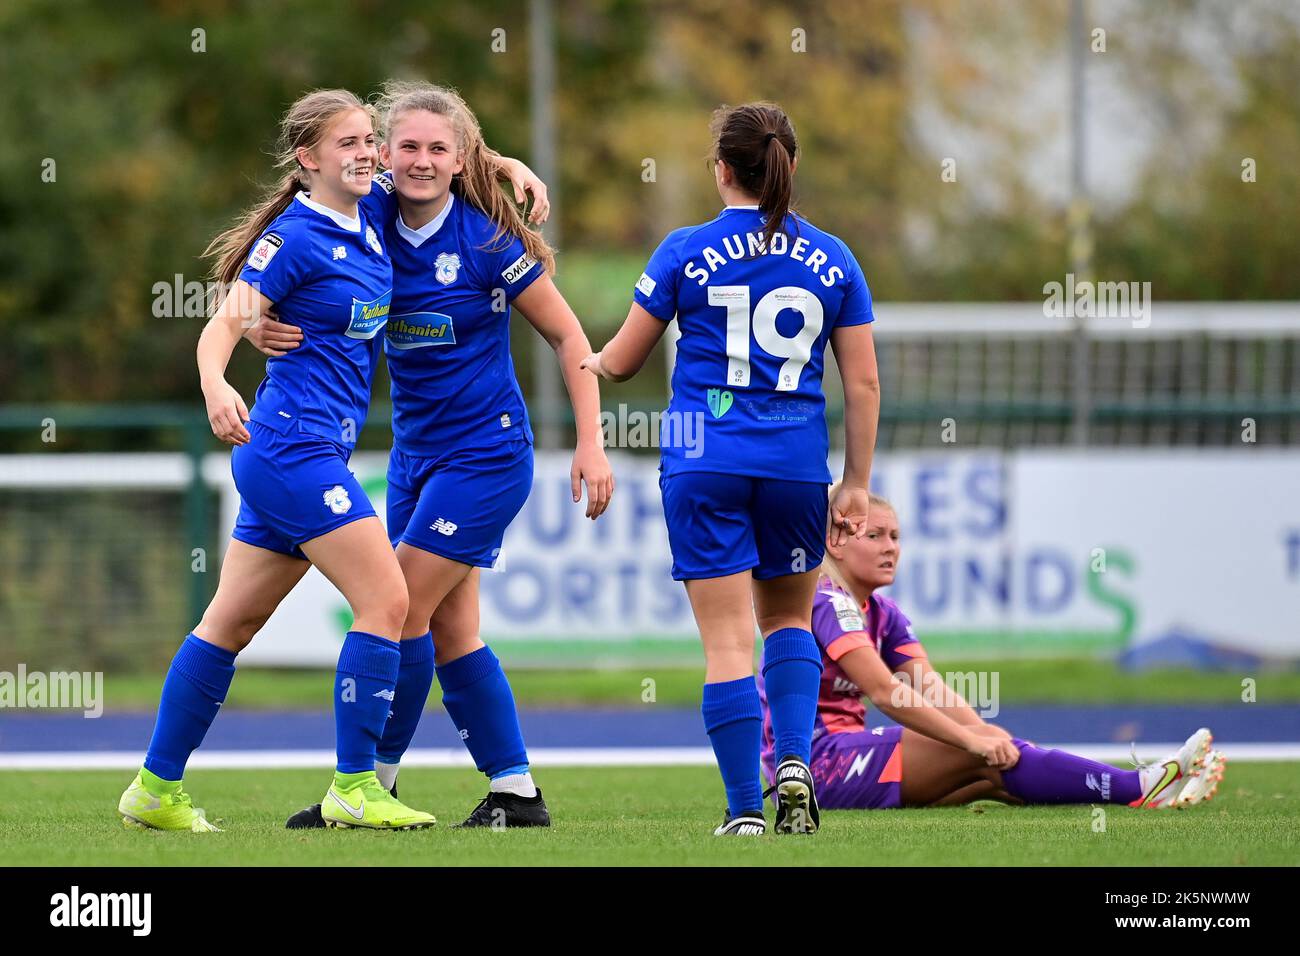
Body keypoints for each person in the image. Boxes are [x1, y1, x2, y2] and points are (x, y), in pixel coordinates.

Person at [119, 88, 549, 833]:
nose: (367, 153)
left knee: (228, 626)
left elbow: (438, 160)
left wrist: (503, 162)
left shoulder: (369, 214)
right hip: (294, 451)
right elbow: (227, 318)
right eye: (346, 143)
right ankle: (355, 785)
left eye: (367, 141)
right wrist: (215, 379)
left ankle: (154, 789)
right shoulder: (295, 238)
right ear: (306, 159)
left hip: (296, 454)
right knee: (389, 603)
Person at [251, 81, 612, 829]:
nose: (419, 161)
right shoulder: (368, 210)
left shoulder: (486, 241)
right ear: (385, 154)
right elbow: (297, 215)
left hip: (486, 458)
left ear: (458, 161)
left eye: (437, 150)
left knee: (401, 607)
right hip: (416, 459)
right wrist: (250, 323)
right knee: (449, 629)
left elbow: (573, 341)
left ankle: (365, 786)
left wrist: (591, 442)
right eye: (405, 147)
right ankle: (514, 791)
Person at [582, 102, 880, 836]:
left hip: (703, 459)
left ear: (721, 170)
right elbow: (864, 385)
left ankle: (745, 810)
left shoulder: (684, 249)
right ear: (790, 165)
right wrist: (857, 483)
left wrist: (583, 359)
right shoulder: (835, 257)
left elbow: (621, 362)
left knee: (725, 644)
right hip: (796, 465)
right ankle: (798, 769)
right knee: (786, 622)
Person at [756, 491, 1228, 812]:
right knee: (980, 753)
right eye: (874, 535)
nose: (890, 548)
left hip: (844, 758)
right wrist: (969, 740)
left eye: (896, 537)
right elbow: (884, 692)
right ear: (835, 543)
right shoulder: (823, 600)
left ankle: (1137, 790)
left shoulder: (884, 611)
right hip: (812, 768)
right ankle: (1137, 786)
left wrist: (980, 730)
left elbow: (929, 687)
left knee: (996, 769)